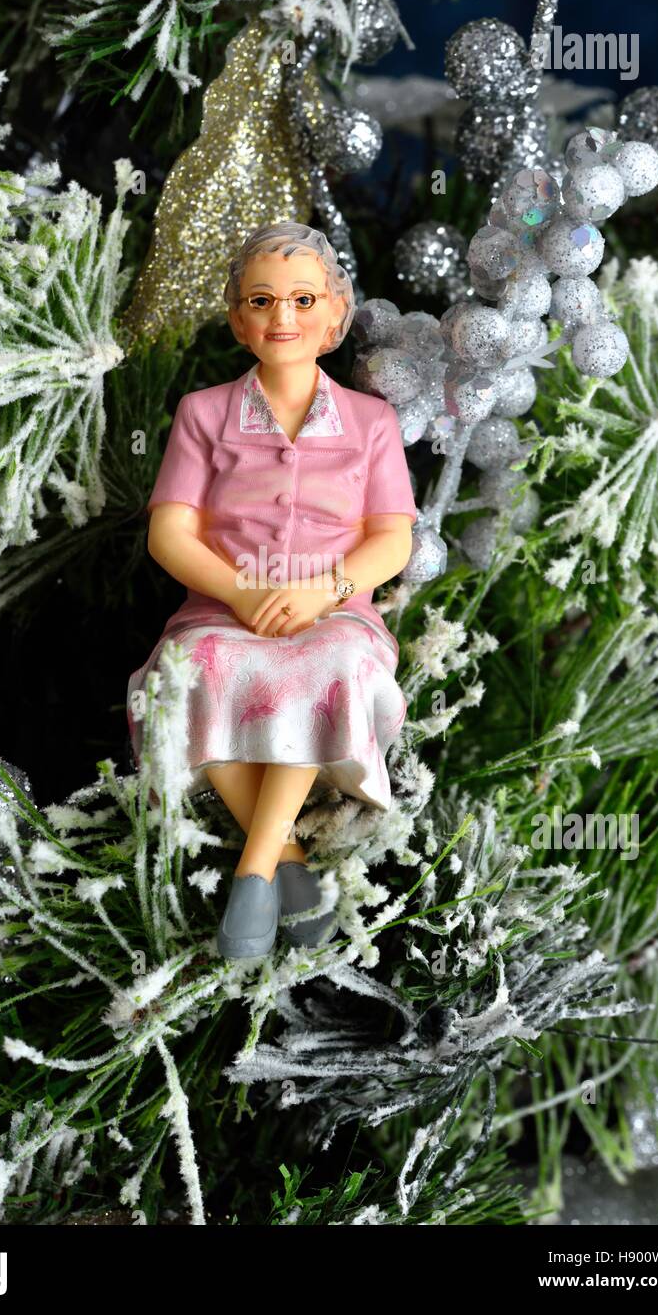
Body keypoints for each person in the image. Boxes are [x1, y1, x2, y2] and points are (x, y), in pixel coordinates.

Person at [126, 222, 417, 960]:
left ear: (333, 316)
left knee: (325, 671)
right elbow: (169, 534)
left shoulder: (370, 422)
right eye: (262, 300)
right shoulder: (203, 415)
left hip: (334, 612)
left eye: (300, 299)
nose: (281, 318)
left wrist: (326, 592)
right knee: (195, 674)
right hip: (223, 609)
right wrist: (240, 593)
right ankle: (286, 859)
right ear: (236, 319)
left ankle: (254, 870)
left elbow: (392, 538)